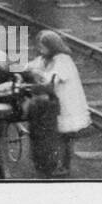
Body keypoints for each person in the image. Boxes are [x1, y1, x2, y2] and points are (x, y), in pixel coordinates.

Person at [25, 30, 90, 178]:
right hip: (56, 102)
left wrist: (37, 74)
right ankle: (57, 165)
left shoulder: (63, 60)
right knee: (57, 135)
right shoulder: (46, 58)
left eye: (43, 47)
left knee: (64, 136)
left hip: (67, 103)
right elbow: (31, 65)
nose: (40, 50)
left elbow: (51, 79)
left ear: (52, 46)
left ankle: (63, 166)